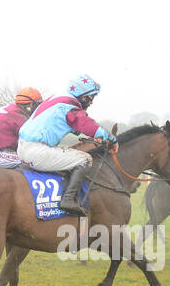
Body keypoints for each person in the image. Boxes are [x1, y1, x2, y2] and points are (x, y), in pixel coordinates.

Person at [17, 75, 114, 216]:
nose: (92, 102)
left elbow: (73, 126)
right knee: (85, 159)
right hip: (36, 151)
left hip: (22, 148)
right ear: (84, 96)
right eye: (92, 97)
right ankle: (68, 199)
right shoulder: (70, 107)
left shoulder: (57, 99)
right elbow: (87, 124)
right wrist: (111, 138)